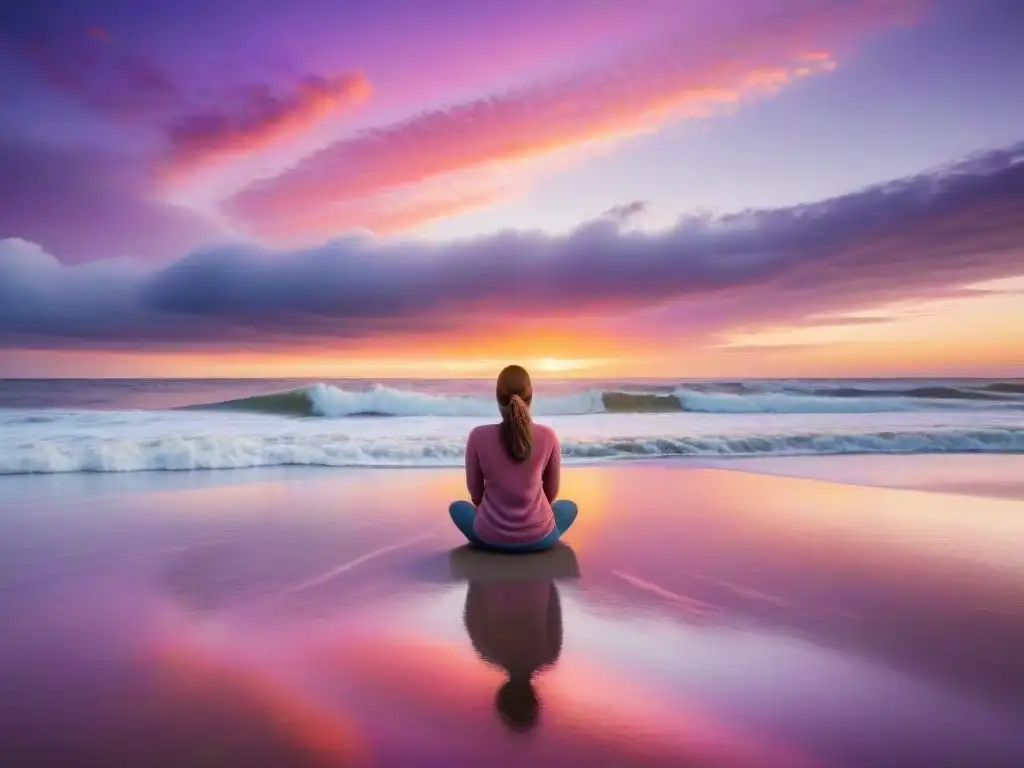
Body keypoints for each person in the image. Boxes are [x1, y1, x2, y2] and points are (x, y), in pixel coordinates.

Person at [449, 365, 578, 552]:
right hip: (540, 539)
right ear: (531, 397)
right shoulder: (548, 435)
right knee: (568, 507)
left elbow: (476, 496)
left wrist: (499, 514)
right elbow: (551, 493)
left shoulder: (478, 436)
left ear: (497, 398)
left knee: (458, 508)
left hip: (489, 539)